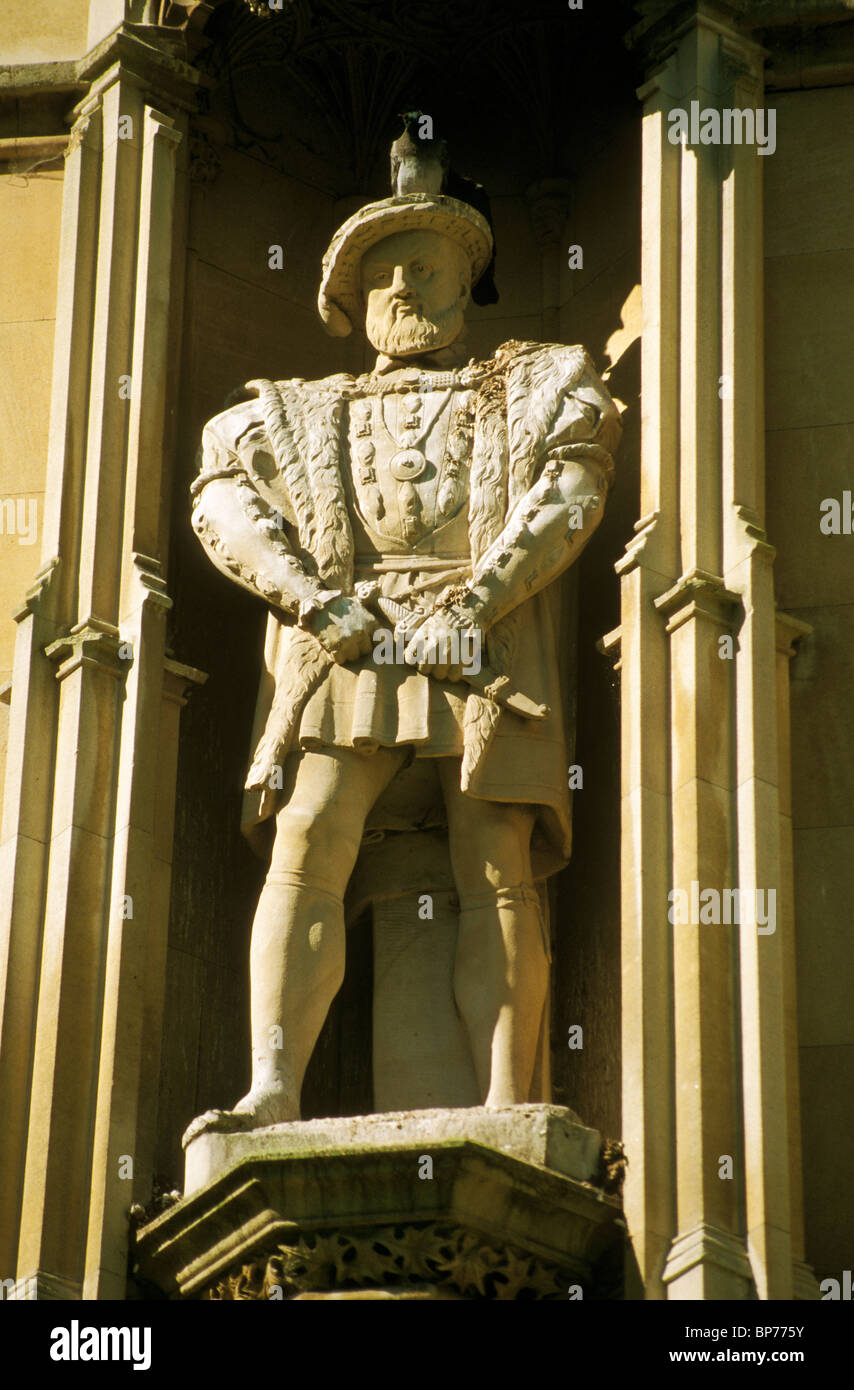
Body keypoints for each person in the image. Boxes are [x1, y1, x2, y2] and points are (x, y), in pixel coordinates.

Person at [187, 180, 620, 1134]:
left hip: (488, 639)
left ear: (470, 282)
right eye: (379, 274)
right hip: (345, 637)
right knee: (306, 839)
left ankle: (511, 1101)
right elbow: (223, 505)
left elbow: (573, 484)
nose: (402, 287)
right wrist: (313, 600)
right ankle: (274, 1087)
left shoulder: (542, 381)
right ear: (347, 299)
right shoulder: (288, 411)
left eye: (425, 266)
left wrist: (479, 599)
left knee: (494, 853)